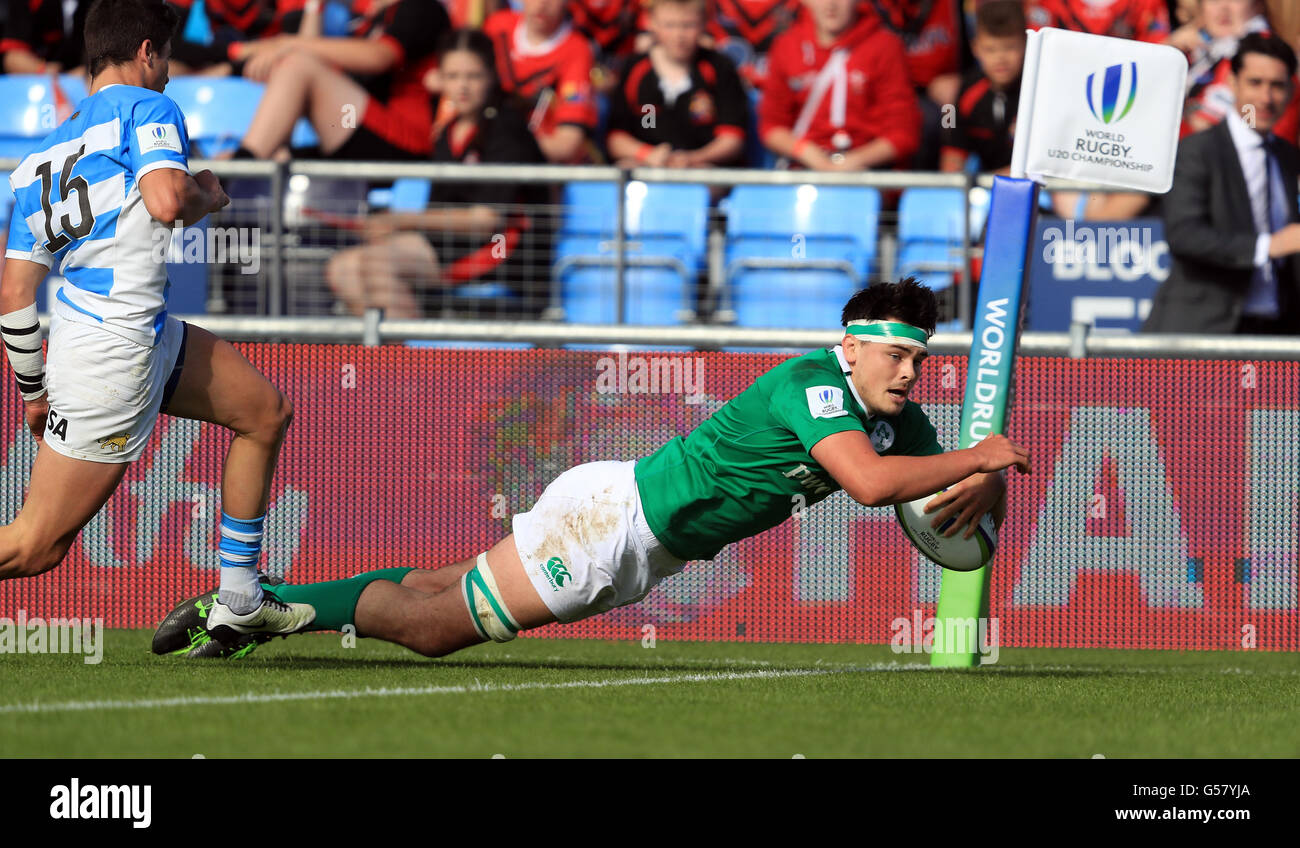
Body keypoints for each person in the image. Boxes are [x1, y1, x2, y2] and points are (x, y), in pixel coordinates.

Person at [154, 277, 1032, 659]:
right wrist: (981, 453)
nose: (911, 373)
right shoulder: (815, 383)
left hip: (634, 530)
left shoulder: (895, 414)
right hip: (614, 529)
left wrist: (981, 478)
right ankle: (266, 611)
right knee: (434, 629)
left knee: (433, 586)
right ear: (851, 346)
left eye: (921, 359)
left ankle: (254, 603)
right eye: (897, 356)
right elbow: (878, 487)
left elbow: (937, 479)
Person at [0, 0, 314, 639]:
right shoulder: (148, 107)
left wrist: (32, 390)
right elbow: (169, 200)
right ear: (146, 50)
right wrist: (209, 191)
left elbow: (13, 296)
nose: (170, 71)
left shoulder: (38, 159)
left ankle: (241, 598)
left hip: (127, 334)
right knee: (35, 547)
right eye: (166, 55)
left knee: (263, 412)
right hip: (114, 351)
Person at [325, 29, 550, 319]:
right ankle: (385, 360)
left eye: (473, 76)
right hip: (448, 244)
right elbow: (440, 209)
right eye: (453, 76)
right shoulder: (447, 132)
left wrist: (399, 220)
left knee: (376, 264)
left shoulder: (506, 129)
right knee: (341, 268)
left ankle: (414, 363)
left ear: (492, 76)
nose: (462, 87)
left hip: (499, 251)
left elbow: (487, 220)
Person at [1145, 32, 1300, 334]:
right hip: (1206, 331)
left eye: (1277, 86)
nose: (1265, 99)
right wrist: (1270, 246)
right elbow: (1184, 235)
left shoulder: (1289, 158)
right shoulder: (1195, 152)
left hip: (1277, 331)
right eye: (1255, 83)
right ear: (1232, 82)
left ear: (1292, 91)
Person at [228, 0, 450, 162]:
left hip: (407, 144)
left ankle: (241, 169)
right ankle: (245, 167)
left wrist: (290, 44)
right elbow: (308, 55)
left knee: (297, 64)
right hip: (357, 127)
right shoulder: (369, 19)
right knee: (280, 154)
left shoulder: (422, 8)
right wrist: (315, 6)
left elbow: (379, 57)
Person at [760, 0, 920, 170]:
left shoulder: (886, 46)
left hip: (866, 170)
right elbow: (772, 126)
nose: (831, 4)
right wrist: (811, 155)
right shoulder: (786, 46)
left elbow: (903, 132)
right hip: (805, 167)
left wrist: (855, 161)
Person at [606, 0, 749, 168]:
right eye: (670, 25)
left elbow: (732, 138)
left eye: (688, 25)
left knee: (707, 175)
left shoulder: (720, 67)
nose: (679, 35)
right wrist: (647, 154)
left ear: (704, 23)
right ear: (651, 23)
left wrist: (692, 159)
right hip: (648, 163)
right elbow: (616, 138)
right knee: (625, 171)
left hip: (701, 166)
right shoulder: (635, 68)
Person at [482, 0, 601, 163]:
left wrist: (506, 145)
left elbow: (567, 144)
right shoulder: (496, 26)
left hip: (538, 164)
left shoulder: (578, 50)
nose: (542, 4)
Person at [939, 0, 1024, 176]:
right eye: (990, 49)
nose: (1000, 58)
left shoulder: (1037, 93)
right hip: (983, 186)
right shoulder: (966, 89)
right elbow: (952, 151)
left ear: (1025, 44)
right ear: (976, 48)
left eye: (1009, 47)